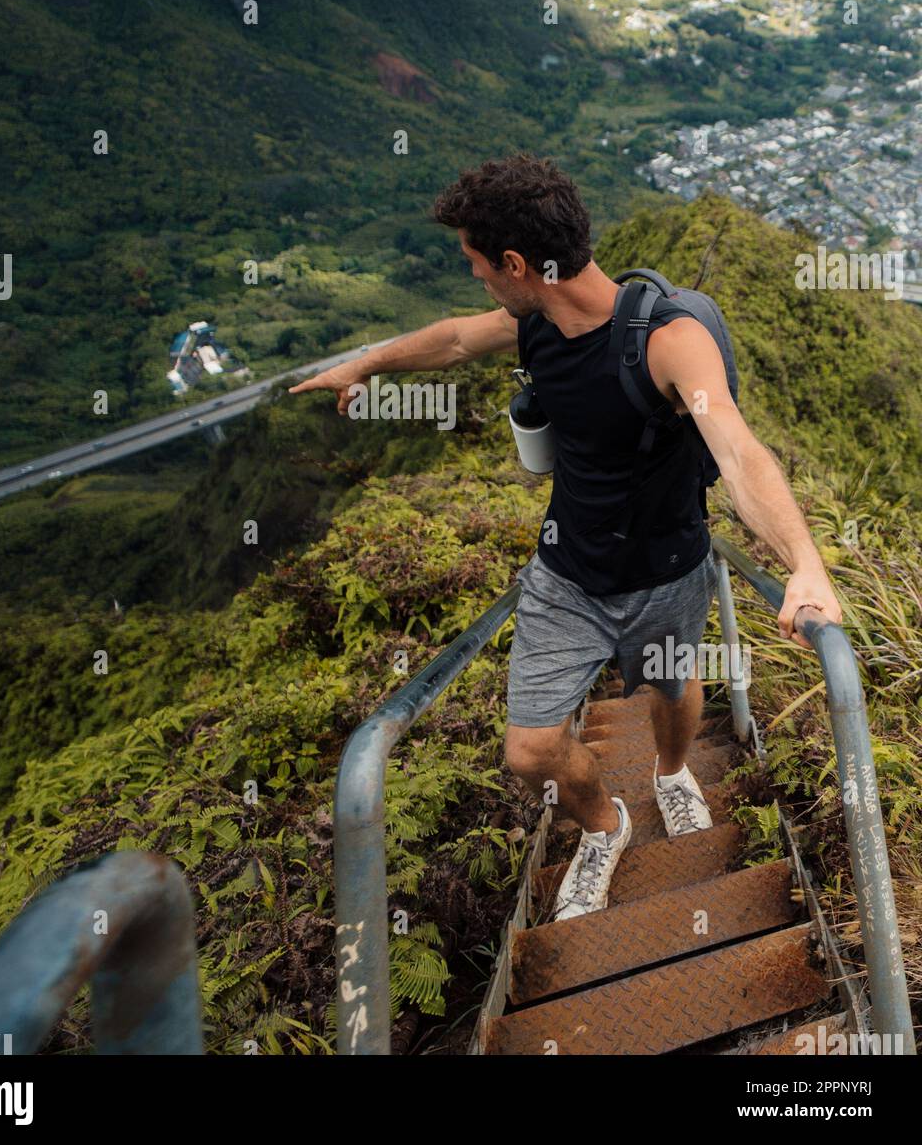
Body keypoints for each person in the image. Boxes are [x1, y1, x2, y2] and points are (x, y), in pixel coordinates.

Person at [289, 152, 842, 921]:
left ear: (519, 263)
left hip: (668, 567)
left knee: (674, 690)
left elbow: (739, 452)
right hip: (567, 574)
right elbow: (451, 340)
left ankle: (673, 774)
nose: (477, 279)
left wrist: (806, 565)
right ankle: (604, 826)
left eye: (480, 266)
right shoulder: (535, 323)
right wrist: (367, 365)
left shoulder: (667, 340)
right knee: (530, 749)